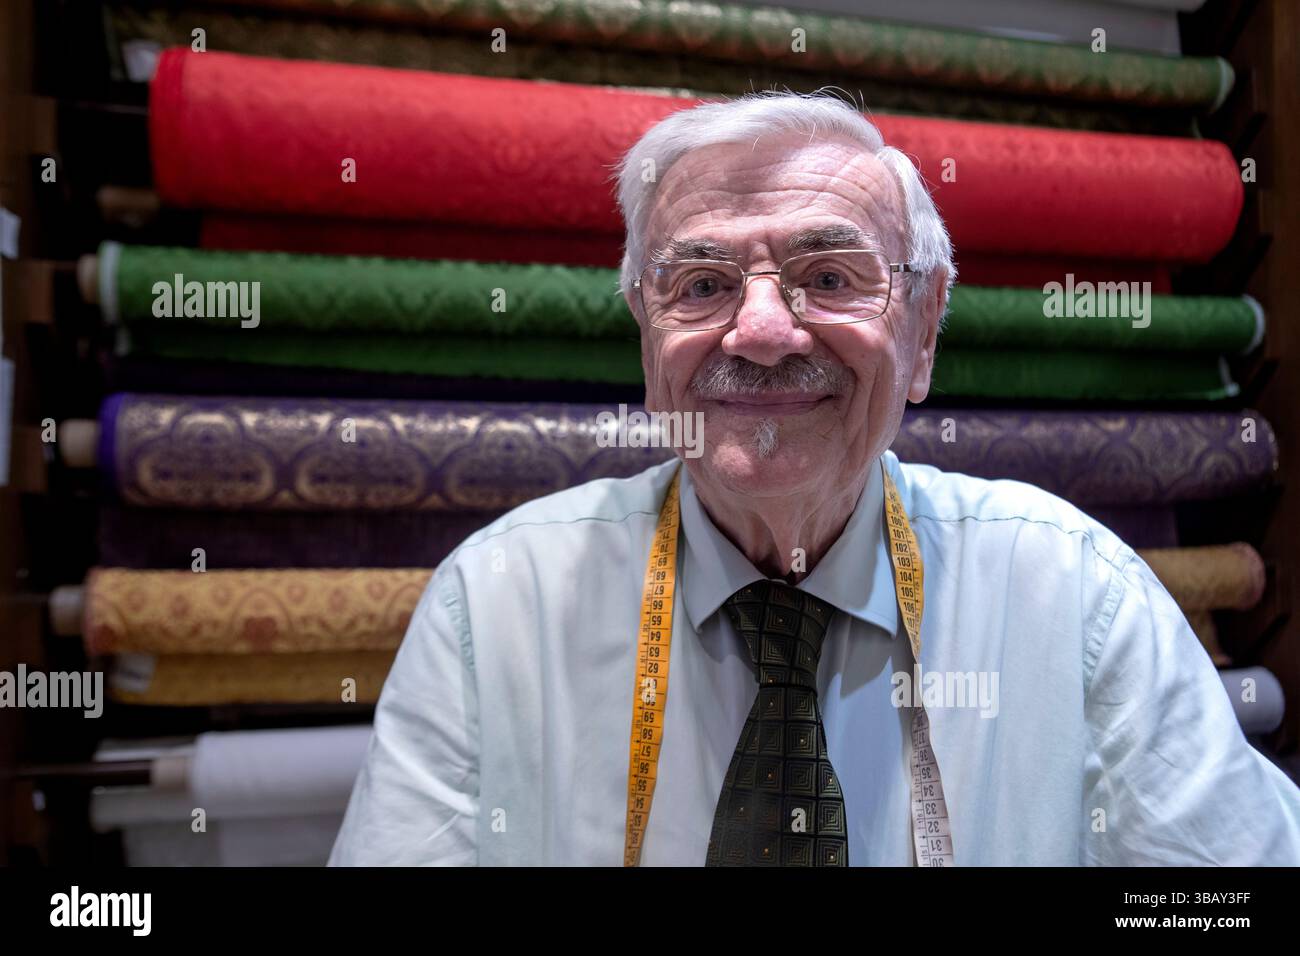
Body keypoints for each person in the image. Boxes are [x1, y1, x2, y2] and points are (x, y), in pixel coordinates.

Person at [329, 93, 1300, 866]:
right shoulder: (494, 605)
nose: (757, 332)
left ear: (922, 328)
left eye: (829, 276)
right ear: (645, 332)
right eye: (701, 284)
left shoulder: (1076, 594)